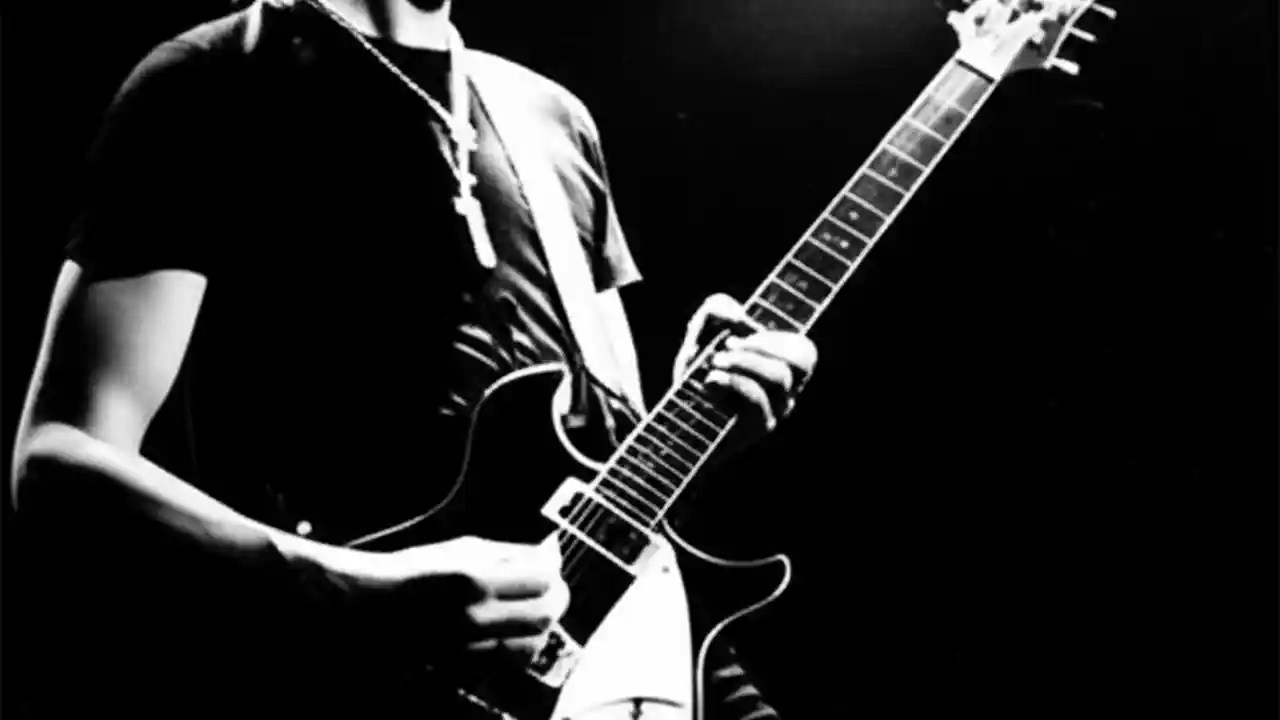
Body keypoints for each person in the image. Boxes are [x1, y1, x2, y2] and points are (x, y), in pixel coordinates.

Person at [9, 0, 818, 718]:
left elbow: (611, 454)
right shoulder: (215, 79)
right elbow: (57, 459)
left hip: (617, 670)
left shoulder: (550, 117)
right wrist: (359, 593)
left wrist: (697, 419)